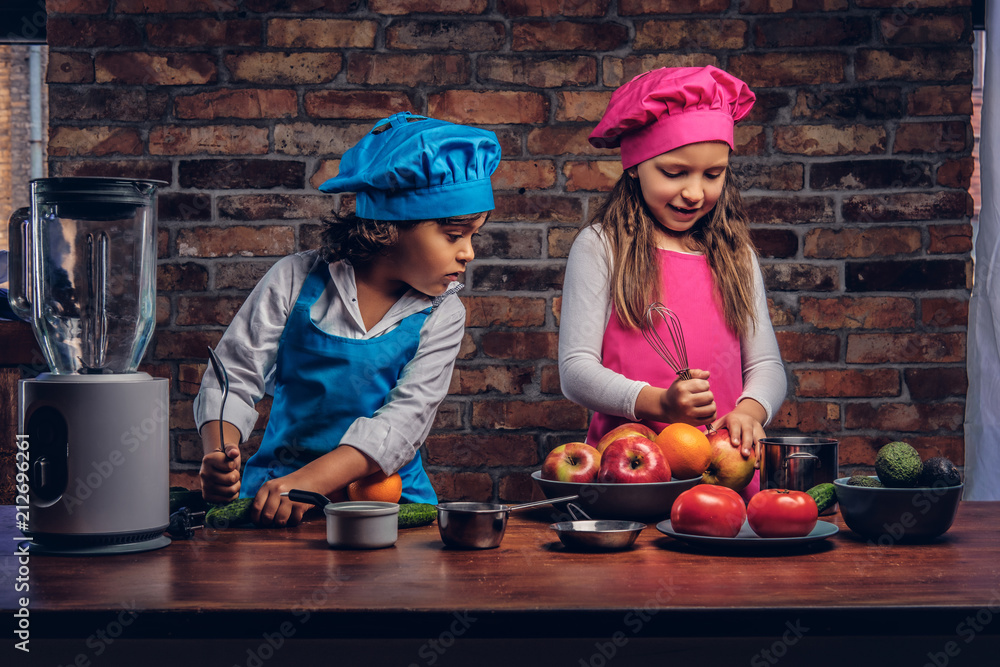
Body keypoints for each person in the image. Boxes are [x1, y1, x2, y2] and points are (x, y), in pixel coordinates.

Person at [195, 112, 502, 526]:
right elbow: (233, 373)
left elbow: (402, 422)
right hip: (275, 502)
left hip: (387, 508)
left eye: (472, 236)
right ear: (392, 226)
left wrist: (313, 480)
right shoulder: (294, 278)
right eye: (454, 236)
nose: (468, 252)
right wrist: (219, 454)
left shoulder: (443, 312)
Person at [558, 66, 787, 497]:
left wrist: (751, 411)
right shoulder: (602, 246)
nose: (695, 192)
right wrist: (660, 403)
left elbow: (766, 366)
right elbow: (576, 372)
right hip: (626, 477)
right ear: (634, 166)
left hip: (725, 481)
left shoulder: (736, 256)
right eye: (674, 172)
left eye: (712, 174)